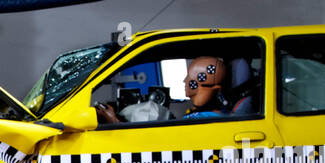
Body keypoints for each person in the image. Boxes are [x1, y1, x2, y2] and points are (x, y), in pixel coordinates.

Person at [96, 55, 230, 123]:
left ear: (215, 88)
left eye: (191, 77)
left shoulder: (207, 120)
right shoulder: (200, 116)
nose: (185, 80)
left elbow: (155, 146)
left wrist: (114, 122)